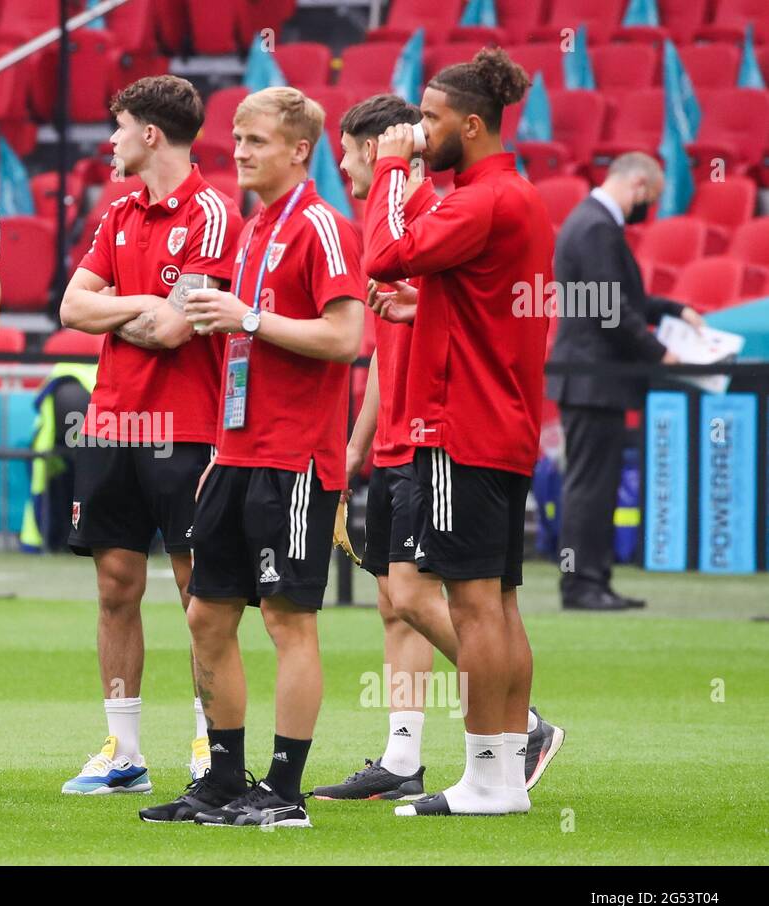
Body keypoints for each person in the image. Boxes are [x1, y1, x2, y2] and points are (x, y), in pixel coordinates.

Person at [316, 92, 564, 801]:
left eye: (429, 121)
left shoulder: (450, 207)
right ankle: (443, 762)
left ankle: (505, 754)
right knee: (448, 602)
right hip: (446, 430)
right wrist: (357, 446)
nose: (419, 135)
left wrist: (393, 171)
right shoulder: (489, 203)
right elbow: (443, 326)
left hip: (450, 430)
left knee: (457, 601)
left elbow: (389, 256)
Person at [138, 86, 365, 827]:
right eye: (235, 138)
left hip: (295, 460)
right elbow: (243, 347)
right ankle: (224, 779)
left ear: (300, 150)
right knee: (207, 613)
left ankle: (287, 791)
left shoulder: (323, 227)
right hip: (237, 452)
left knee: (287, 619)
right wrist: (222, 447)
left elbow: (346, 338)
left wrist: (252, 316)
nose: (238, 151)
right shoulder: (252, 230)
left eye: (256, 140)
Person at [57, 75, 243, 795]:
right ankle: (123, 750)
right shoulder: (117, 213)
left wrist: (123, 308)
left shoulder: (213, 214)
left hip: (188, 430)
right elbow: (74, 306)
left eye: (119, 126)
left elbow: (173, 332)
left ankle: (208, 742)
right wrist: (144, 302)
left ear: (151, 135)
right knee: (114, 586)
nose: (111, 140)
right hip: (111, 424)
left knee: (201, 590)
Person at [546, 152, 704, 611]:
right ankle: (581, 585)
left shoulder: (591, 222)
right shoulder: (596, 226)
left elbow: (621, 299)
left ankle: (595, 580)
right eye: (650, 199)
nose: (648, 208)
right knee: (588, 489)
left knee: (593, 486)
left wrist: (671, 310)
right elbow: (610, 311)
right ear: (638, 184)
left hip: (594, 380)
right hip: (593, 379)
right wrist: (663, 354)